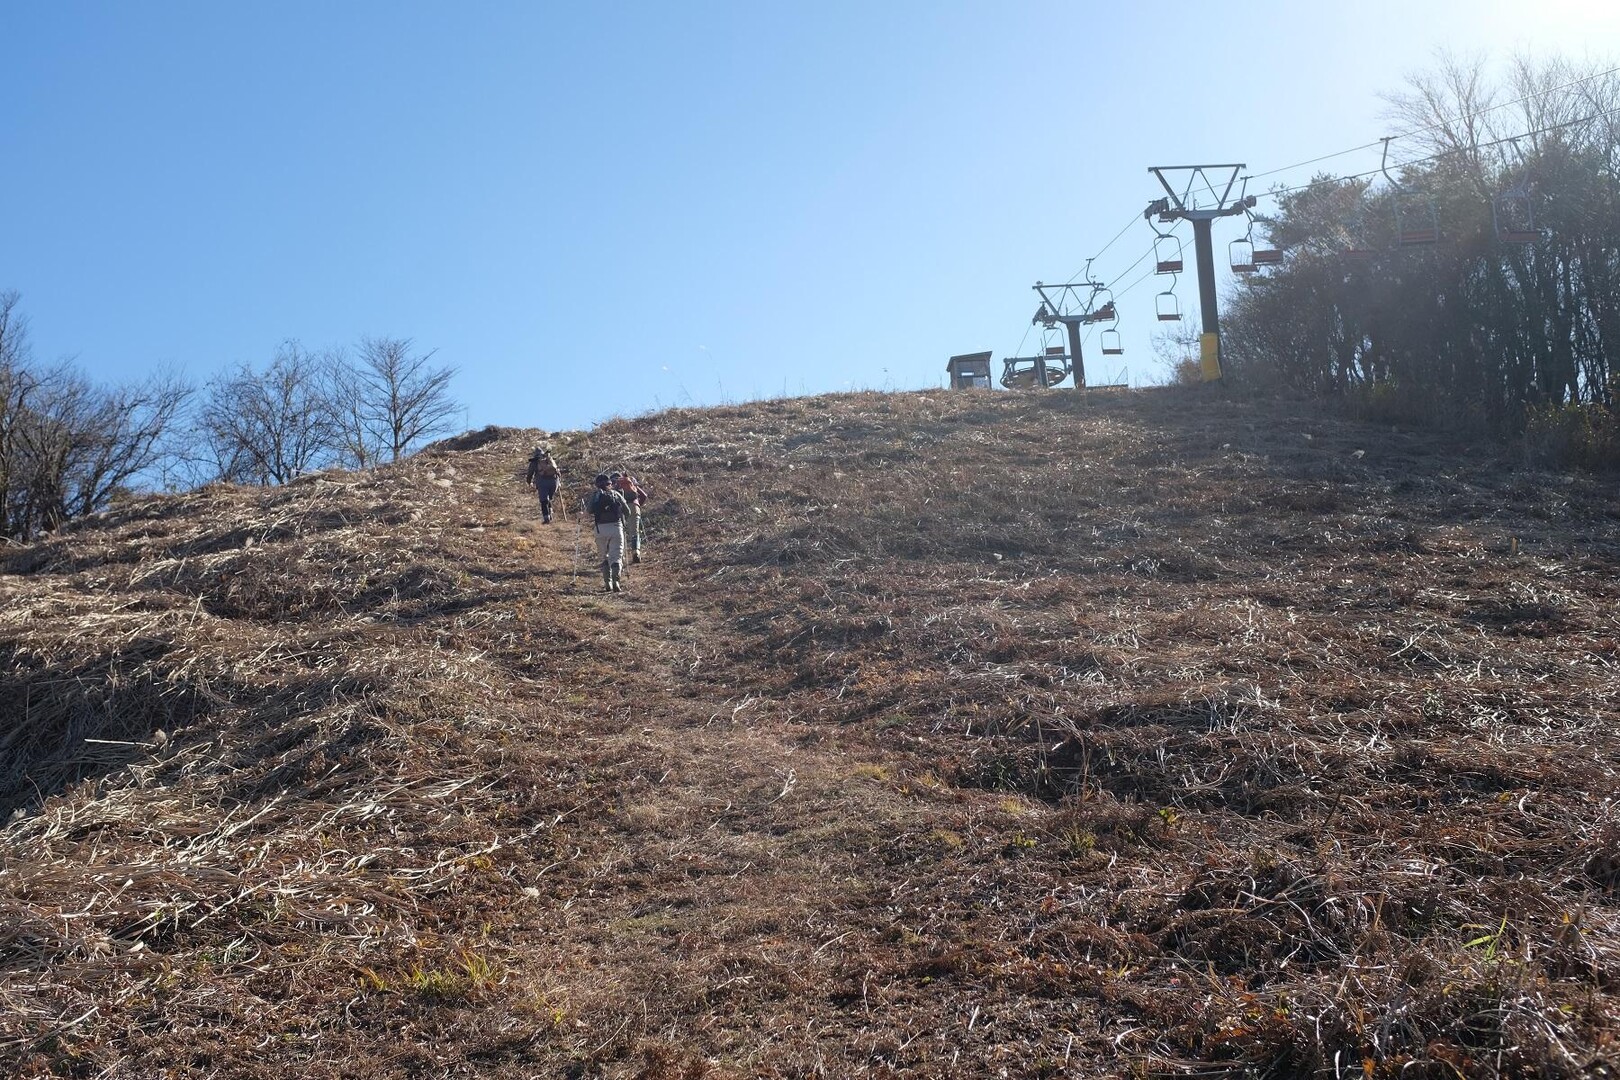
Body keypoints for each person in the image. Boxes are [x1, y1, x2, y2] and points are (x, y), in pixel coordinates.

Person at [584, 473, 632, 592]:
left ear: (597, 485)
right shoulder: (616, 494)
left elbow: (589, 511)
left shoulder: (596, 495)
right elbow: (628, 511)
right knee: (616, 556)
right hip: (616, 527)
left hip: (600, 529)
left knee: (604, 557)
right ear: (610, 484)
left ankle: (607, 583)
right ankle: (616, 581)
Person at [610, 471, 648, 563]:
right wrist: (638, 505)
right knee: (635, 532)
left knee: (621, 532)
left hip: (622, 510)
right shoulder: (631, 484)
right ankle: (636, 552)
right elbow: (644, 496)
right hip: (634, 508)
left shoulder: (615, 486)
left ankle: (621, 556)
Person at [525, 446, 561, 524]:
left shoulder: (534, 462)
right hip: (554, 481)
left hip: (542, 482)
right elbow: (557, 470)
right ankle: (550, 513)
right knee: (549, 498)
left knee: (544, 500)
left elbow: (529, 474)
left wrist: (529, 482)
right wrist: (559, 481)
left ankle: (546, 518)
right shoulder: (549, 459)